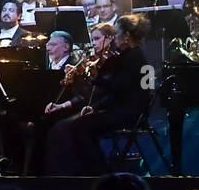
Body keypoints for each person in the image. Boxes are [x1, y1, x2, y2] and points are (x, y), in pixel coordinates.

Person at [45, 14, 152, 176]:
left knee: (81, 128)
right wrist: (94, 106)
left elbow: (120, 88)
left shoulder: (134, 57)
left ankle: (98, 173)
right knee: (78, 126)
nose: (114, 38)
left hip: (129, 113)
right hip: (121, 109)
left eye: (117, 34)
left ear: (126, 37)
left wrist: (96, 79)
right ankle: (86, 172)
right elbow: (113, 91)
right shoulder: (127, 56)